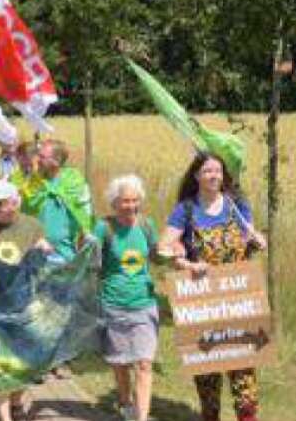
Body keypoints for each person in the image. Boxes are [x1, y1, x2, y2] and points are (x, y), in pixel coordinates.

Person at [159, 153, 267, 421]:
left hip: (238, 297)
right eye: (207, 171)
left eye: (217, 171)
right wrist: (184, 262)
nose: (213, 176)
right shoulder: (185, 210)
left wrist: (258, 240)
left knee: (244, 375)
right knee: (207, 379)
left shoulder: (236, 205)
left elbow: (249, 237)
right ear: (196, 176)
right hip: (202, 300)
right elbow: (162, 249)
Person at [0, 180, 54, 421]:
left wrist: (44, 249)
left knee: (23, 361)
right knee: (0, 363)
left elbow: (41, 257)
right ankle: (5, 416)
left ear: (15, 203)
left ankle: (16, 403)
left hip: (23, 302)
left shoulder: (32, 226)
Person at [94, 175, 160, 421]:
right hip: (114, 303)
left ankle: (141, 417)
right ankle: (124, 403)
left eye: (135, 200)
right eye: (125, 201)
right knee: (121, 363)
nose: (131, 206)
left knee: (144, 363)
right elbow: (92, 260)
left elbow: (156, 256)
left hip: (144, 302)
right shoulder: (104, 227)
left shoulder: (146, 225)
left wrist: (176, 255)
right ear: (114, 202)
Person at [25, 139, 93, 264]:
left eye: (42, 157)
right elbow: (25, 210)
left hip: (66, 256)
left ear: (56, 161)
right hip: (35, 254)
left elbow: (85, 217)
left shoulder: (74, 183)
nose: (36, 160)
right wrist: (33, 177)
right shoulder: (32, 183)